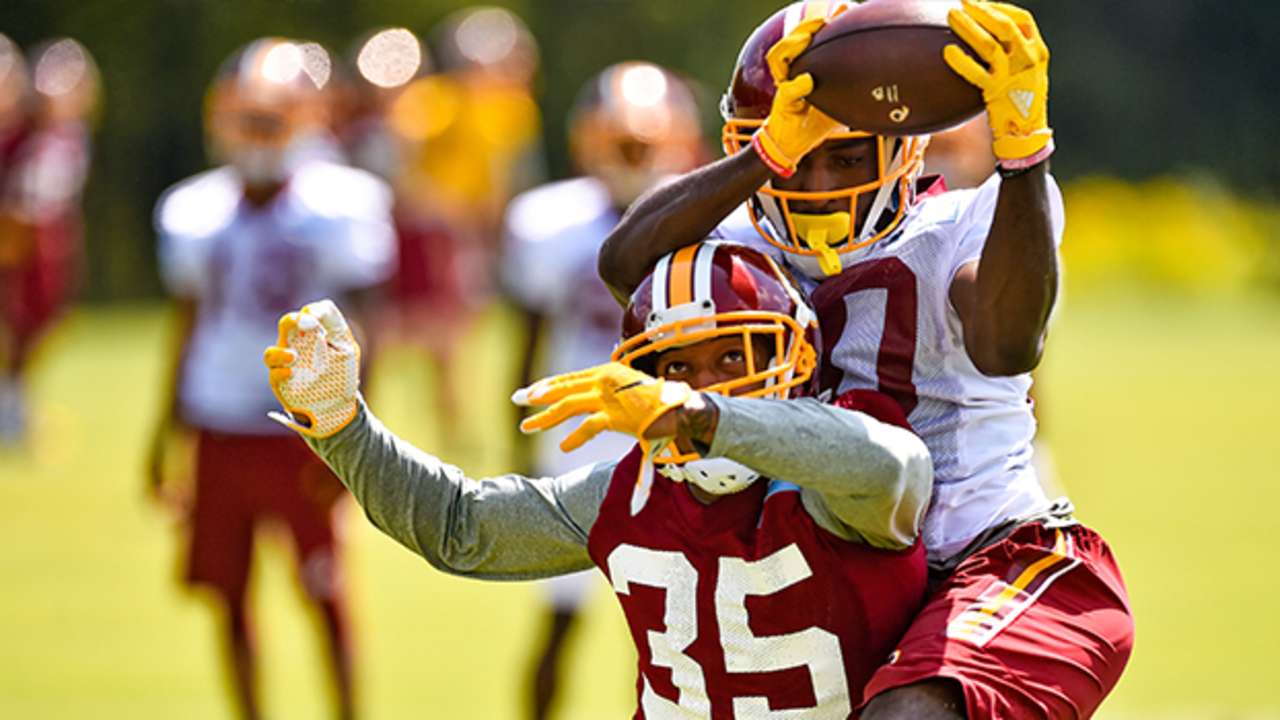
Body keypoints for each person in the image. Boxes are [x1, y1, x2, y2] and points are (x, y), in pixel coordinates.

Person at [597, 2, 1134, 717]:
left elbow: (1007, 346)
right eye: (799, 158)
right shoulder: (733, 238)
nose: (817, 185)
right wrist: (765, 157)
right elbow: (624, 266)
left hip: (986, 554)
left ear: (903, 148)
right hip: (837, 572)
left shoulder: (960, 224)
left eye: (846, 156)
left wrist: (1025, 155)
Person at [264, 242, 934, 717]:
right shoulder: (631, 493)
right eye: (679, 371)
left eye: (733, 355)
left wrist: (703, 417)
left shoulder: (835, 472)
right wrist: (341, 426)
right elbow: (460, 527)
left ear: (796, 356)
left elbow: (891, 465)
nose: (706, 384)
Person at [148, 38, 395, 720]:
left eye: (271, 118)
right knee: (229, 596)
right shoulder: (192, 210)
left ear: (303, 118)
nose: (257, 135)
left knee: (325, 591)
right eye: (246, 119)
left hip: (303, 428)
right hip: (218, 419)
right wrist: (162, 434)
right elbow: (186, 327)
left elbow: (368, 327)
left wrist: (352, 435)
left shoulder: (341, 204)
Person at [499, 60, 704, 720]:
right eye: (620, 143)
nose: (631, 157)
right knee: (561, 619)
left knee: (666, 630)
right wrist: (517, 437)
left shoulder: (700, 222)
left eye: (642, 143)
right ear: (588, 141)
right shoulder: (548, 221)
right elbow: (525, 340)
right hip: (576, 432)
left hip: (666, 434)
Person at [0, 37, 96, 444]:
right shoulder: (21, 135)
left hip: (50, 240)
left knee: (44, 324)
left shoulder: (71, 135)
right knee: (16, 324)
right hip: (18, 239)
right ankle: (11, 409)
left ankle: (13, 403)